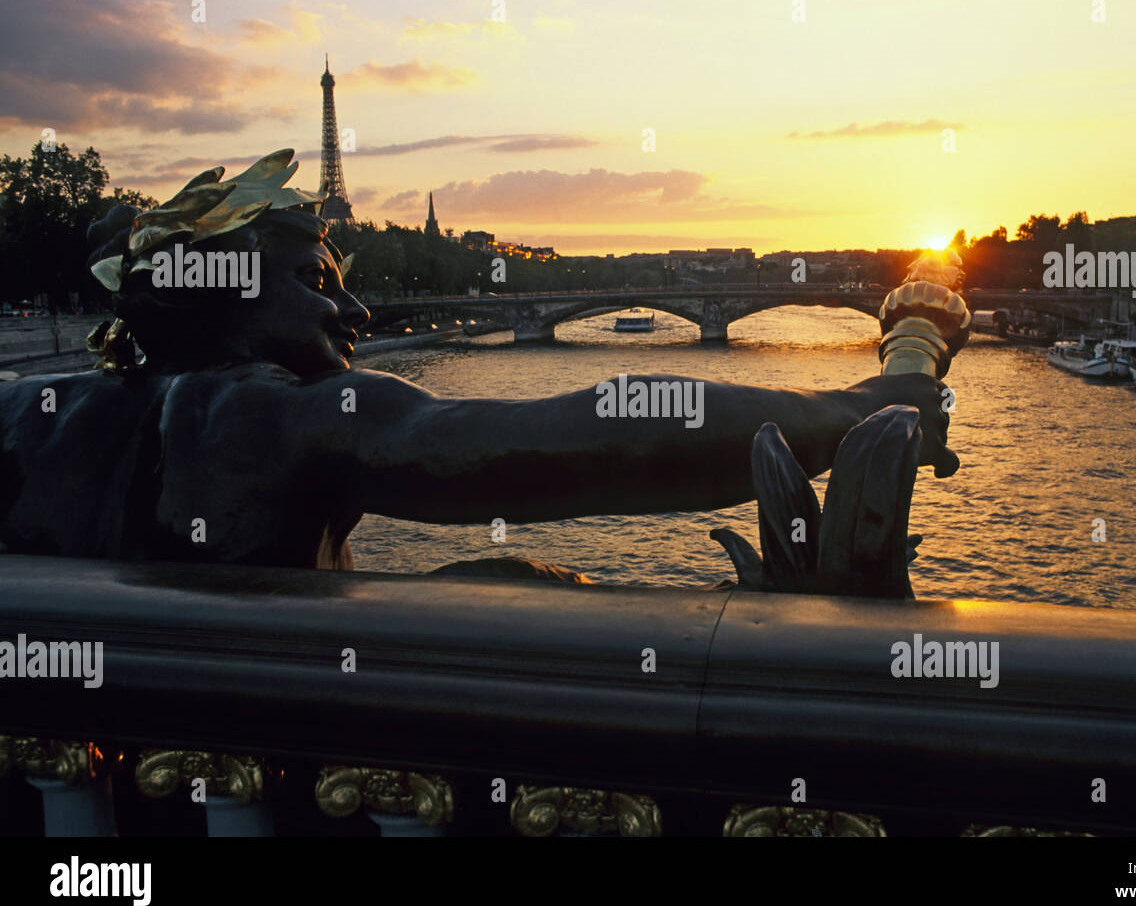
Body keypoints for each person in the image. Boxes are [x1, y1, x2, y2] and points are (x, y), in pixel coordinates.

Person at [0, 151, 957, 570]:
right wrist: (861, 400)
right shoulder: (272, 414)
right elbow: (596, 435)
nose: (356, 308)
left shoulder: (32, 407)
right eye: (318, 279)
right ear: (229, 296)